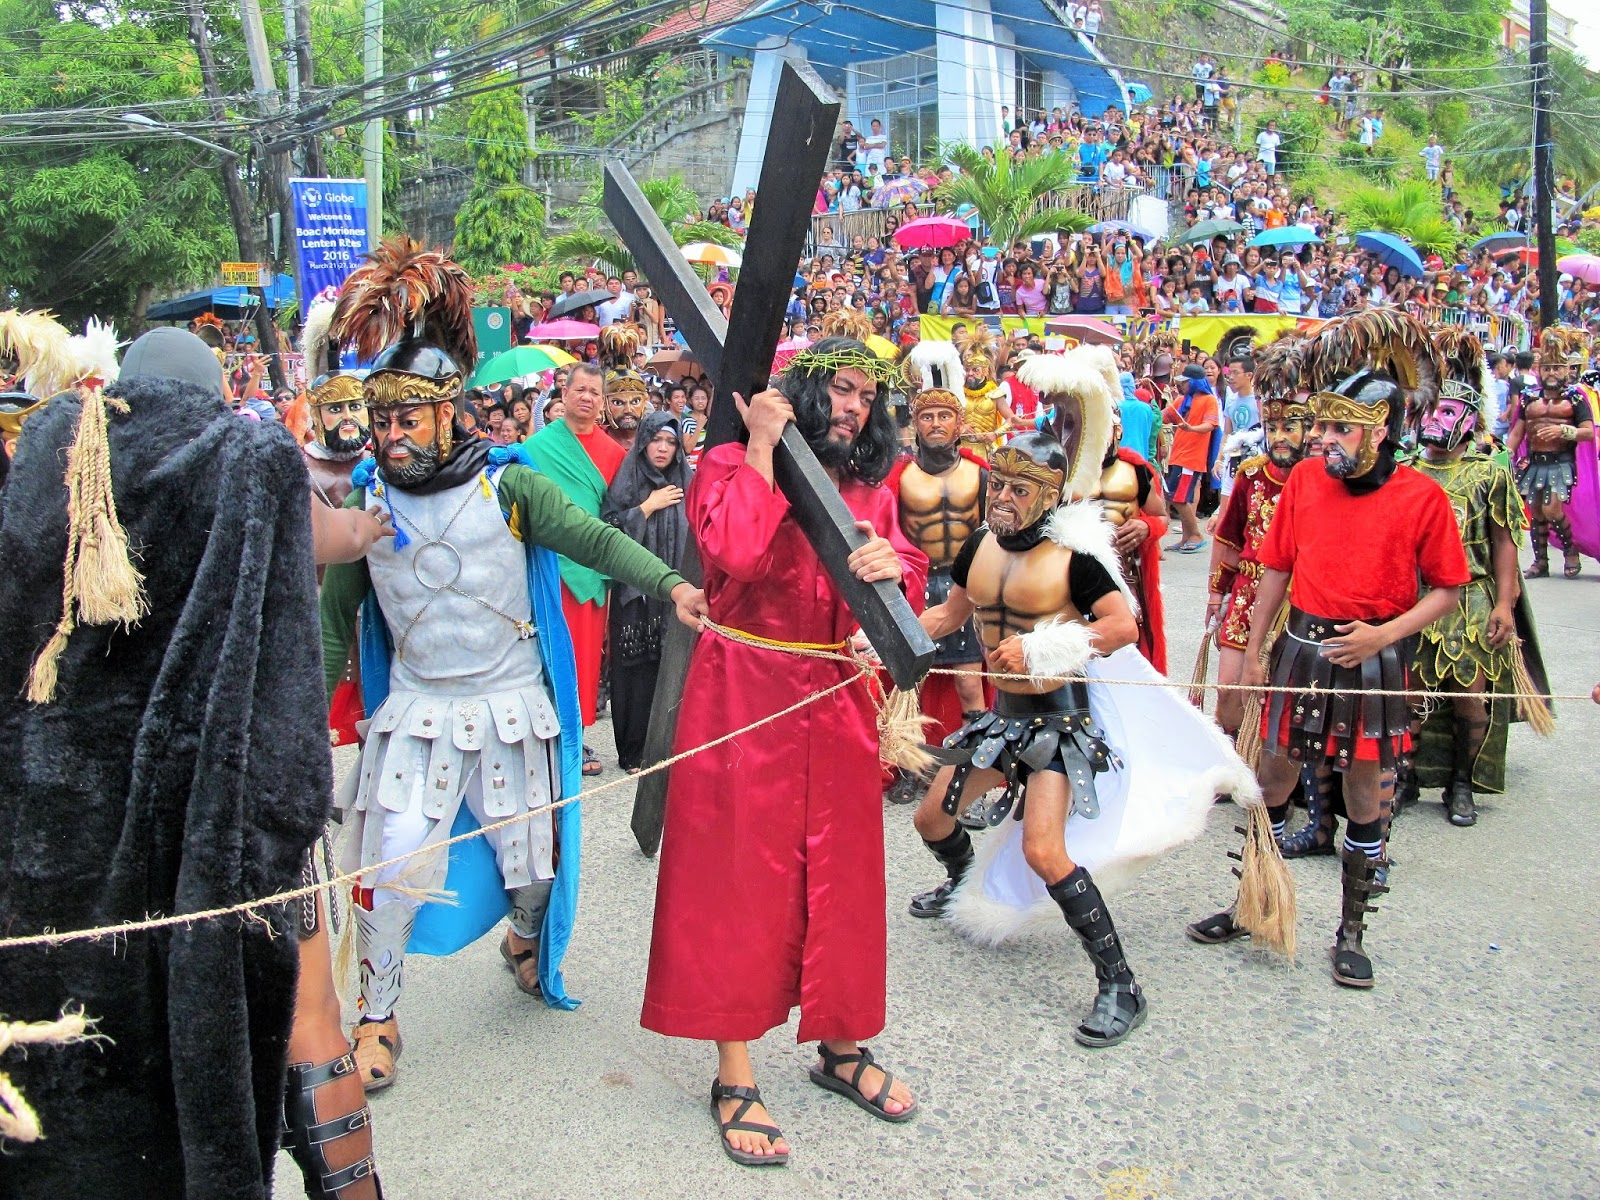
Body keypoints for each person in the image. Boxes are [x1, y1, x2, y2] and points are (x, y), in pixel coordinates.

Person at [320, 238, 704, 1090]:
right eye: (381, 421)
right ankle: (378, 1018)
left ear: (450, 411)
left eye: (405, 418)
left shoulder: (512, 487)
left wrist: (672, 583)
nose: (389, 436)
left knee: (533, 864)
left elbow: (597, 539)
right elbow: (334, 622)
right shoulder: (363, 503)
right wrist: (309, 715)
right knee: (394, 865)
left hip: (511, 708)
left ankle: (526, 942)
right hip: (415, 712)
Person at [0, 327, 333, 1196]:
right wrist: (283, 830)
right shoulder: (246, 456)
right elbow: (283, 693)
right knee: (287, 1029)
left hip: (41, 836)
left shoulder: (42, 456)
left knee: (63, 1073)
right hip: (189, 831)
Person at [641, 336, 926, 1167]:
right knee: (734, 879)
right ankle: (734, 1073)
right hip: (741, 690)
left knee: (842, 877)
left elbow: (903, 559)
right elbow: (734, 551)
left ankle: (840, 1046)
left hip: (833, 691)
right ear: (800, 391)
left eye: (865, 399)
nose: (853, 409)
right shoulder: (729, 461)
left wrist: (892, 563)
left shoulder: (869, 485)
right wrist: (763, 445)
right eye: (839, 391)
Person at [908, 428, 1251, 1048]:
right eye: (999, 485)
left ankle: (1120, 982)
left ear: (1051, 496)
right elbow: (949, 616)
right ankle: (965, 884)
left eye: (1020, 489)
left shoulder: (1076, 558)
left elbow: (1123, 625)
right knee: (931, 819)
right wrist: (885, 638)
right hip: (1002, 715)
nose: (1002, 499)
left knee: (1045, 851)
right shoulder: (979, 546)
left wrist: (1047, 645)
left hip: (1058, 722)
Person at [1187, 329, 1470, 990]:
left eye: (1341, 428)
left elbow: (1450, 591)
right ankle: (1250, 902)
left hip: (1374, 654)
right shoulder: (1308, 481)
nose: (1323, 440)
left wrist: (1382, 636)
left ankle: (1351, 931)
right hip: (1301, 648)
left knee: (1365, 789)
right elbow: (1277, 570)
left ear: (1381, 431)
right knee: (1273, 778)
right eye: (1323, 426)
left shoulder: (1422, 497)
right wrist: (1256, 650)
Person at [1407, 329, 1546, 828]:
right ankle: (1405, 775)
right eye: (1430, 411)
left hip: (1470, 597)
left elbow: (1505, 541)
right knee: (1409, 695)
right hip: (1413, 597)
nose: (1435, 420)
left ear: (1469, 423)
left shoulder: (1490, 474)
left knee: (1471, 697)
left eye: (1447, 413)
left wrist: (1504, 605)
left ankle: (1460, 783)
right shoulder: (1402, 470)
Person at [884, 341, 989, 802]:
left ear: (959, 422)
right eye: (927, 417)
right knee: (911, 680)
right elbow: (884, 530)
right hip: (916, 583)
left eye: (944, 416)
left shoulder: (982, 473)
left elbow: (996, 528)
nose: (936, 424)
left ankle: (979, 766)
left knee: (969, 682)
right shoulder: (899, 476)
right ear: (916, 423)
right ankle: (909, 767)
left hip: (965, 581)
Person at [1204, 333, 1311, 741]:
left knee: (1287, 689)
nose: (1279, 436)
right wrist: (1217, 594)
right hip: (1247, 590)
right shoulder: (1251, 473)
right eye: (1272, 426)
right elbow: (1229, 538)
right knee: (1230, 688)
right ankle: (1230, 755)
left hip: (1297, 596)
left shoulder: (1319, 481)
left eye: (1290, 427)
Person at [526, 360, 628, 777]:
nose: (586, 397)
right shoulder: (536, 448)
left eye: (594, 393)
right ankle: (542, 734)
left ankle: (576, 736)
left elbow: (620, 511)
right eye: (579, 390)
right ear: (563, 394)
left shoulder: (615, 453)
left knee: (585, 654)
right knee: (545, 652)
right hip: (548, 563)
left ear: (601, 403)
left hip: (590, 566)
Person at [600, 412, 691, 772]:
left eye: (670, 442)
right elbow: (606, 530)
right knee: (634, 674)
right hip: (634, 598)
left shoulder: (686, 481)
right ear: (644, 442)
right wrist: (646, 508)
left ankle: (668, 750)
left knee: (671, 668)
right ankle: (633, 752)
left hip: (674, 597)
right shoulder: (628, 480)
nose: (663, 448)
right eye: (656, 440)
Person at [1508, 327, 1595, 579]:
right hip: (1535, 462)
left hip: (1561, 462)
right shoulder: (1528, 399)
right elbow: (1517, 432)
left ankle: (1570, 551)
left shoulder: (1575, 399)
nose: (1552, 373)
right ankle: (1540, 562)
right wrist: (1505, 454)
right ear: (1539, 371)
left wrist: (1563, 432)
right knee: (1535, 510)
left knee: (1552, 509)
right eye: (1547, 368)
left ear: (1566, 371)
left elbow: (1588, 432)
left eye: (1557, 368)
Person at [1162, 366, 1218, 551]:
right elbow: (1164, 417)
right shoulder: (1181, 400)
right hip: (1178, 456)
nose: (1182, 384)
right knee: (1175, 496)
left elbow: (1211, 424)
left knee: (1179, 498)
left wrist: (1191, 428)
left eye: (1185, 381)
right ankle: (1186, 537)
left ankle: (1195, 534)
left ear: (1194, 382)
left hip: (1192, 458)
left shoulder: (1209, 400)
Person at [598, 324, 649, 454]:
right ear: (604, 403)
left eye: (635, 401)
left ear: (645, 400)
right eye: (618, 403)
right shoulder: (596, 440)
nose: (628, 410)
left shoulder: (655, 439)